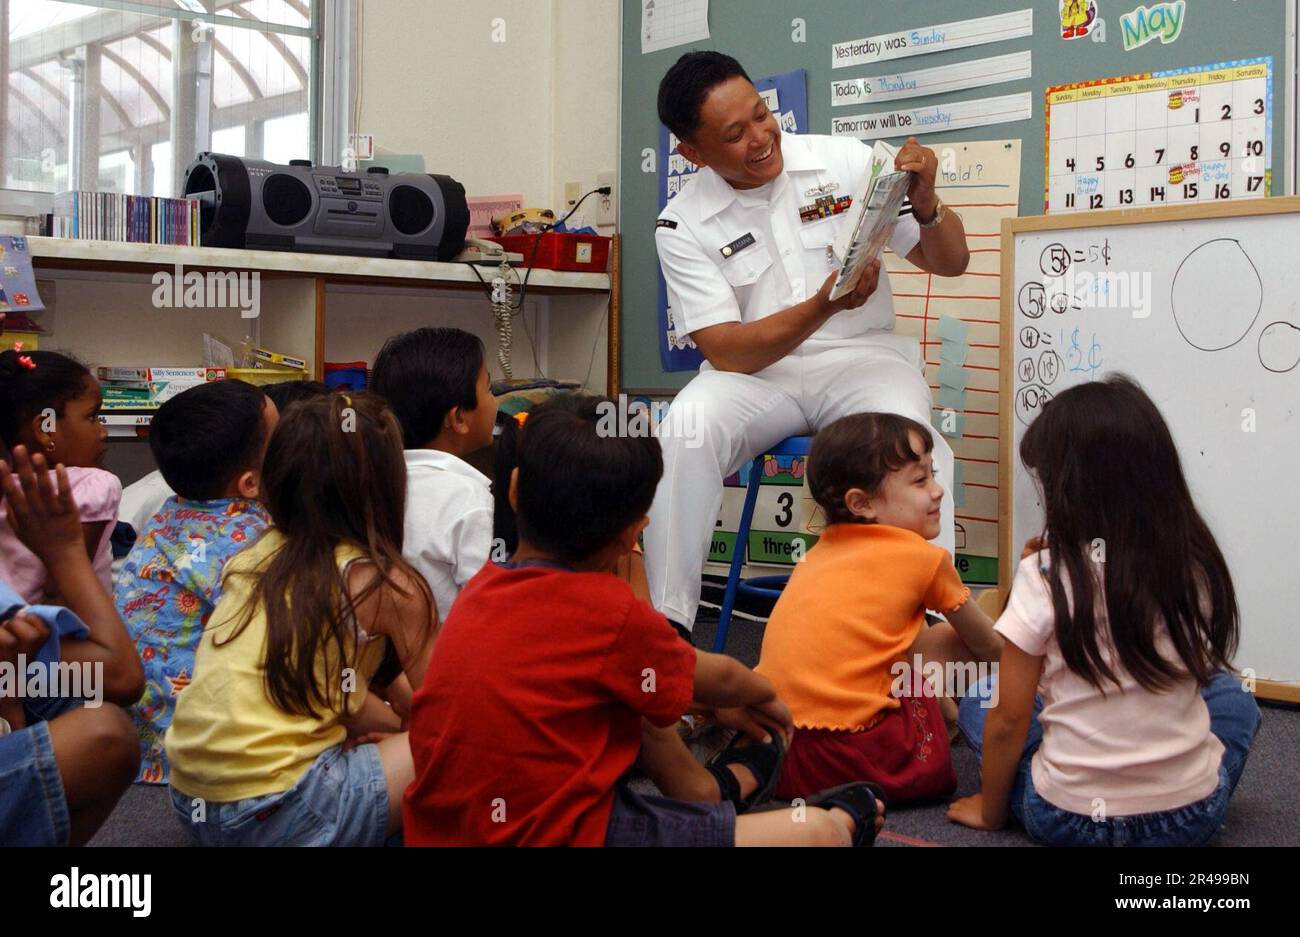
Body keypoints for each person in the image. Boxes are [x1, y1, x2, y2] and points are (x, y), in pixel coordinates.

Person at [645, 51, 972, 633]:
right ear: (692, 153)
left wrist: (927, 206)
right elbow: (728, 350)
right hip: (755, 377)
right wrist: (826, 301)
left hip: (862, 360)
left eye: (760, 114)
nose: (761, 137)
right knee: (684, 429)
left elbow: (951, 262)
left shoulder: (844, 159)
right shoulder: (681, 222)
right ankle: (669, 632)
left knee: (914, 444)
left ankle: (931, 628)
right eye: (734, 134)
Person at [948, 376, 1261, 846]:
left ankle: (1022, 796)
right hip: (1189, 821)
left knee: (982, 698)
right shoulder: (1195, 561)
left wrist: (990, 813)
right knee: (1235, 699)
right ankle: (1182, 788)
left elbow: (1010, 720)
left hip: (1070, 821)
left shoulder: (1045, 575)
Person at [757, 412, 1000, 803]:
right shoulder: (924, 559)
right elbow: (990, 647)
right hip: (863, 759)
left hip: (786, 757)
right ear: (862, 502)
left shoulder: (818, 554)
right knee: (956, 641)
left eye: (932, 474)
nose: (937, 491)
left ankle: (944, 720)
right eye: (920, 481)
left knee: (910, 645)